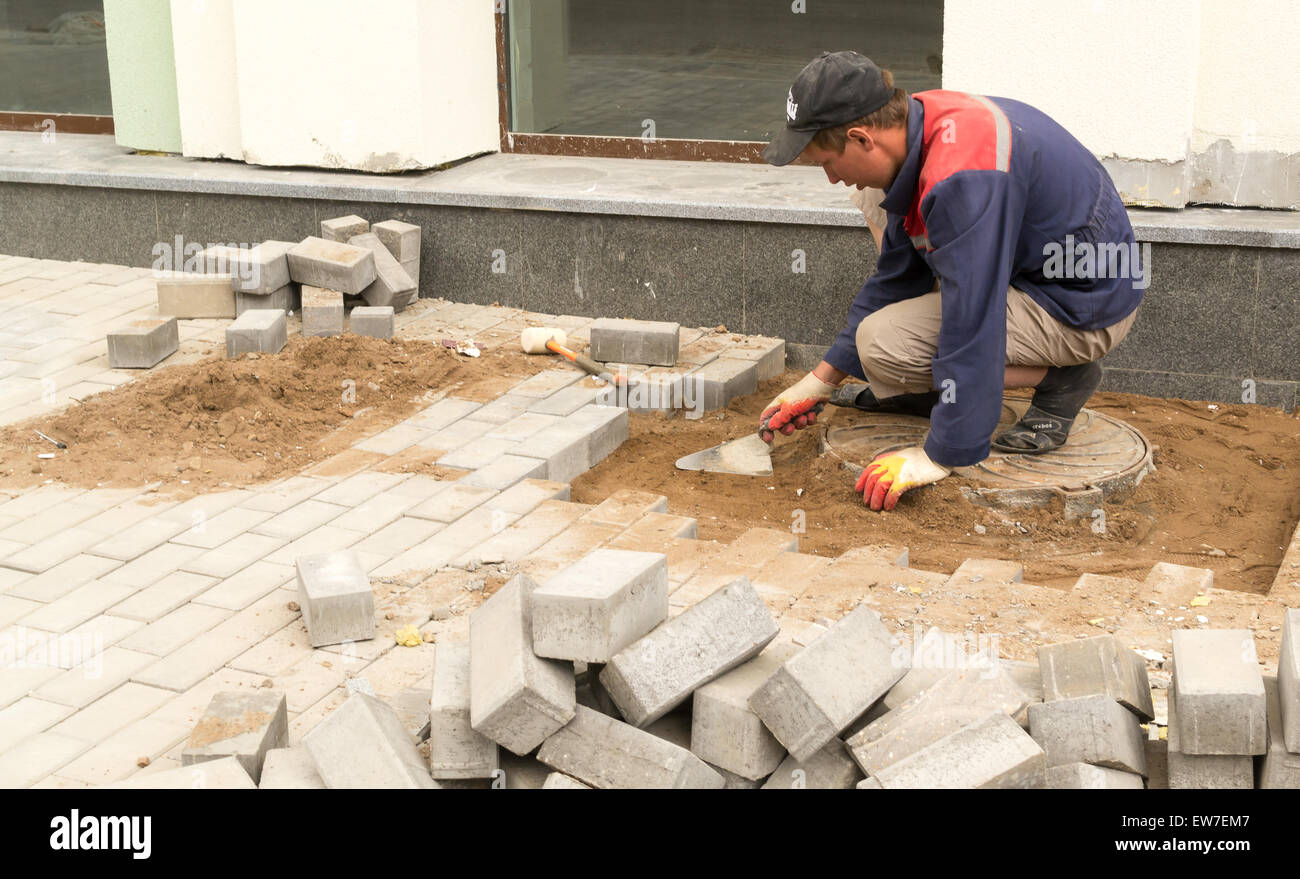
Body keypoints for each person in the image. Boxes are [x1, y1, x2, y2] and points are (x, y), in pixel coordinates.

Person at [758, 51, 1143, 511]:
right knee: (873, 198)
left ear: (862, 137)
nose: (830, 178)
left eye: (827, 162)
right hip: (1027, 269)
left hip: (1080, 306)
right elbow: (898, 274)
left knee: (882, 345)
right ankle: (937, 389)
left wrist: (938, 454)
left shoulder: (963, 180)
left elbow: (972, 320)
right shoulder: (916, 124)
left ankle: (1063, 377)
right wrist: (821, 380)